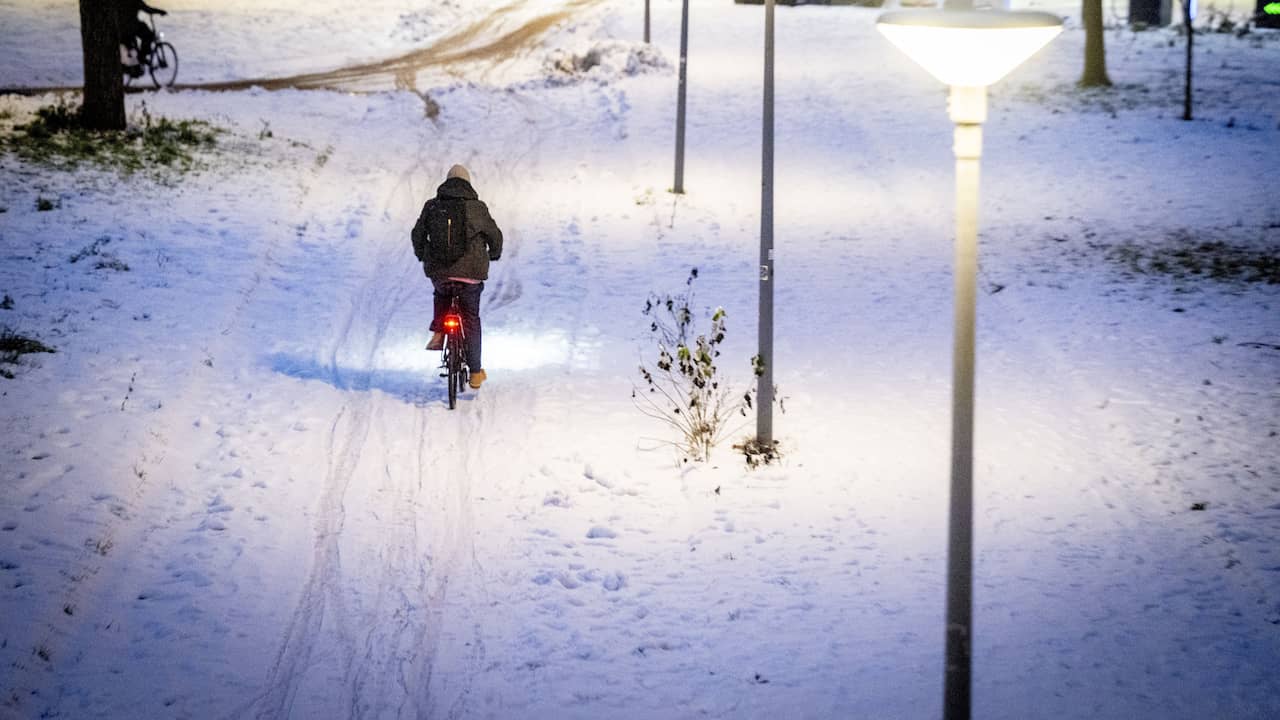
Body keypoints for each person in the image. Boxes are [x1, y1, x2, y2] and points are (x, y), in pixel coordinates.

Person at [411, 164, 503, 390]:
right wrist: (494, 254)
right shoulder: (477, 208)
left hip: (440, 271)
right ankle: (474, 372)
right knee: (471, 319)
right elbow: (495, 235)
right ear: (468, 184)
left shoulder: (433, 206)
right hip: (471, 273)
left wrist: (423, 254)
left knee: (441, 293)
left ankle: (439, 332)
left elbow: (418, 234)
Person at [119, 1, 167, 68]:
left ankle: (139, 58)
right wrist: (160, 11)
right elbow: (148, 9)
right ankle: (142, 56)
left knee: (134, 41)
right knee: (148, 34)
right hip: (132, 25)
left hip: (121, 26)